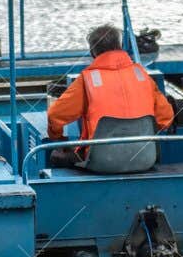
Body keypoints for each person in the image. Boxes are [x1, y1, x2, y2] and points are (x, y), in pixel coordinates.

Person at [47, 24, 174, 167]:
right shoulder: (141, 75)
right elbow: (166, 119)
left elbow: (54, 115)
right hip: (145, 160)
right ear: (120, 46)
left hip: (100, 163)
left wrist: (58, 138)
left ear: (92, 52)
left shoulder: (87, 79)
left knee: (56, 155)